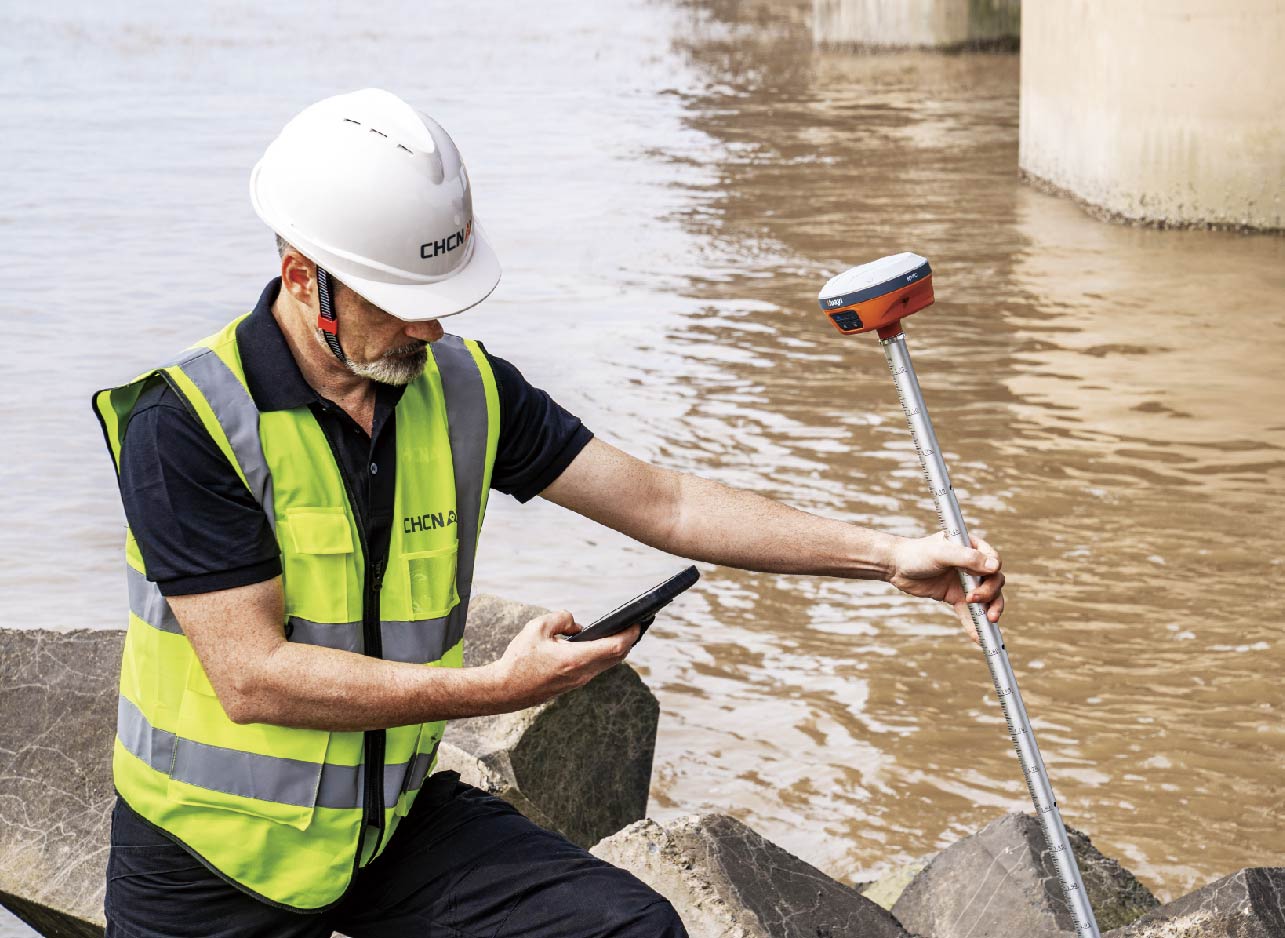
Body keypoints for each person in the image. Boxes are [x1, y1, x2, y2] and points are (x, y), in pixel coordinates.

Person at [93, 89, 1005, 938]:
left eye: (440, 303)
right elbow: (253, 678)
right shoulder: (188, 424)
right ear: (303, 278)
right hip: (206, 862)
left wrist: (884, 557)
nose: (430, 332)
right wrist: (498, 689)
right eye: (402, 306)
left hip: (386, 823)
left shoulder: (463, 391)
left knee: (628, 928)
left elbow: (667, 502)